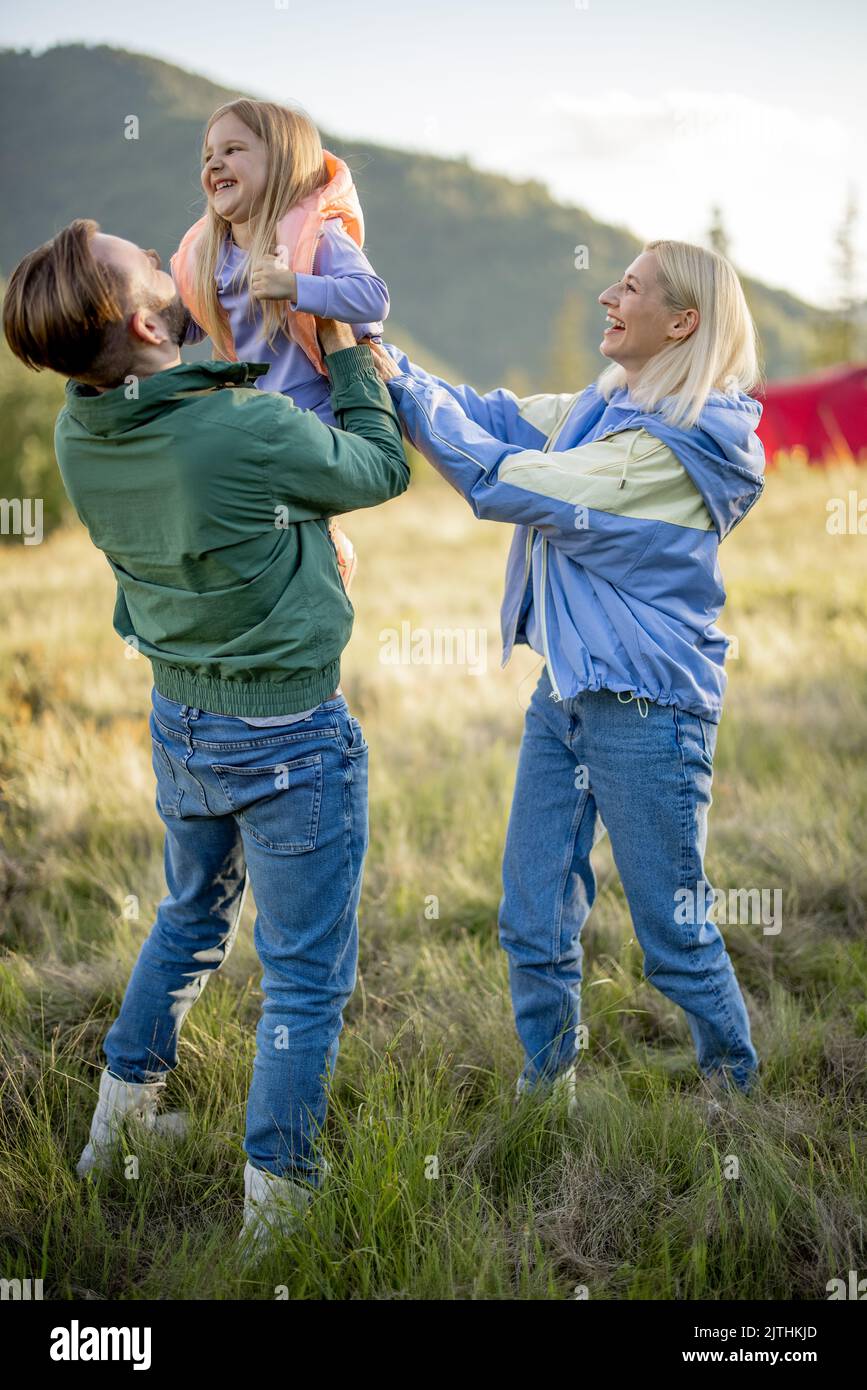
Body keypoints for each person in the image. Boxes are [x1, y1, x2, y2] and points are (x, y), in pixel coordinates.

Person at [2, 217, 409, 1255]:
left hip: (182, 719)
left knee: (187, 917)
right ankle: (281, 1206)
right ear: (146, 316)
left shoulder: (80, 429)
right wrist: (352, 347)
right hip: (286, 731)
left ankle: (112, 1130)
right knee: (306, 974)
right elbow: (375, 468)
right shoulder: (242, 429)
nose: (172, 261)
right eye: (152, 262)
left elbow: (220, 508)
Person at [369, 240, 765, 1103]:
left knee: (672, 931)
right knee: (530, 915)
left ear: (680, 322)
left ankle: (736, 1097)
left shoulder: (667, 452)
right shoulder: (607, 405)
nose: (604, 296)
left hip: (648, 713)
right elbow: (499, 416)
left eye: (629, 288)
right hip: (565, 699)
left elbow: (501, 477)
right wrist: (384, 356)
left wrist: (396, 386)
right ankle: (546, 1096)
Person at [172, 97, 391, 594]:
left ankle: (327, 555)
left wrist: (296, 285)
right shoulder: (212, 255)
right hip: (256, 416)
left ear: (283, 162)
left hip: (318, 412)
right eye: (208, 156)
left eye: (233, 149)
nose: (214, 164)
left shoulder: (317, 237)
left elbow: (374, 299)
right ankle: (316, 560)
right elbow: (191, 326)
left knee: (279, 523)